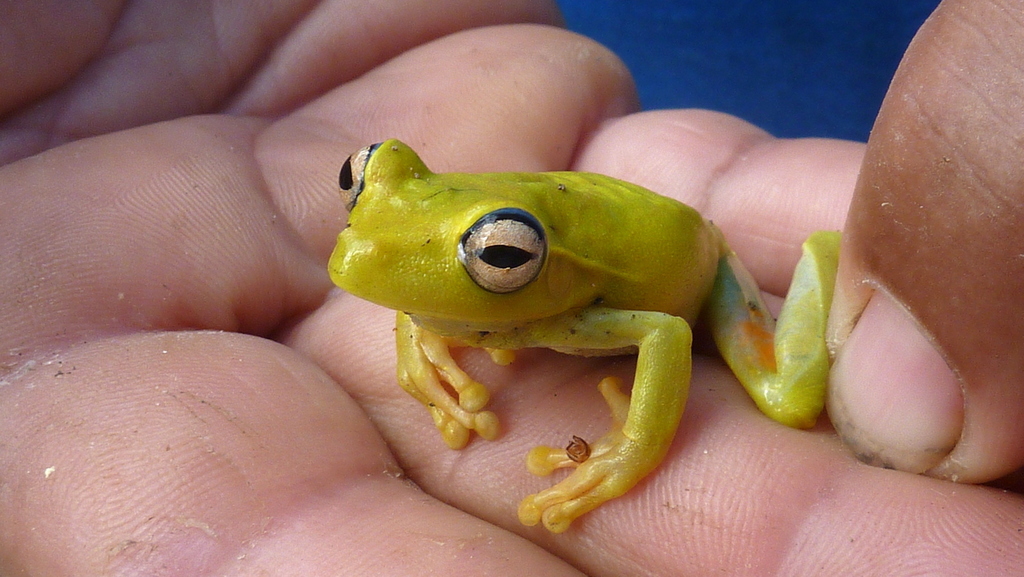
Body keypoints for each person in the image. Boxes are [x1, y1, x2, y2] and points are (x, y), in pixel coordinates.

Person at [0, 0, 1019, 574]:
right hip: (575, 194)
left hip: (689, 267)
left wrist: (629, 450)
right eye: (359, 185)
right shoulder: (394, 246)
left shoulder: (589, 313)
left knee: (793, 398)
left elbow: (657, 339)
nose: (356, 249)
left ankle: (820, 262)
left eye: (495, 259)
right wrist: (424, 330)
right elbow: (398, 262)